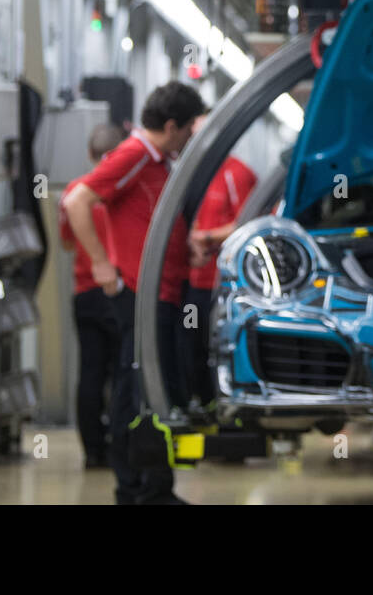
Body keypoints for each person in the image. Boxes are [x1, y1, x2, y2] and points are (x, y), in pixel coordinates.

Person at [62, 80, 207, 505]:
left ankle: (155, 487)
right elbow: (78, 201)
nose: (188, 139)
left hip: (162, 291)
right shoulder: (136, 153)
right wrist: (103, 264)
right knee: (134, 390)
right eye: (187, 130)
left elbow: (147, 217)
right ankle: (135, 490)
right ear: (170, 125)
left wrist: (185, 246)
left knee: (151, 389)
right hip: (141, 296)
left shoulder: (156, 160)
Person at [57, 123, 126, 469]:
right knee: (120, 371)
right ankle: (118, 444)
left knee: (90, 371)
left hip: (84, 292)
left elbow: (67, 242)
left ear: (89, 153)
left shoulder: (72, 193)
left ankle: (92, 451)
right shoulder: (120, 191)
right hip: (117, 290)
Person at [183, 113, 258, 409]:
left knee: (221, 345)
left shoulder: (236, 173)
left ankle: (225, 407)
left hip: (225, 283)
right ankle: (200, 404)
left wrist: (205, 236)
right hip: (193, 281)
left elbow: (247, 222)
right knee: (191, 345)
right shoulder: (190, 175)